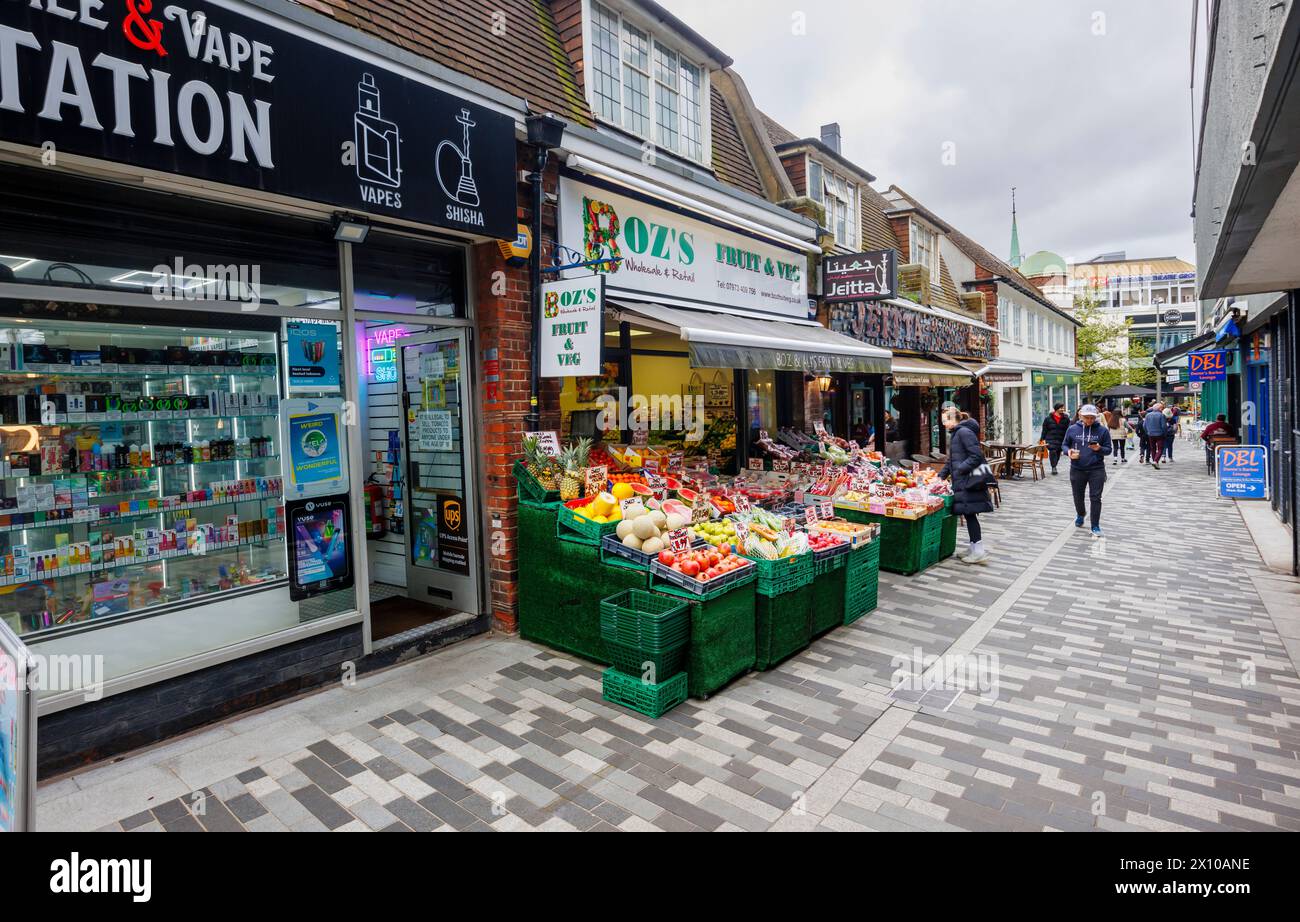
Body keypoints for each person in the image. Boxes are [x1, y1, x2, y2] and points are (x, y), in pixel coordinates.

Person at [939, 406, 994, 564]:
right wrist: (941, 476)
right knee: (969, 514)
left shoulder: (963, 433)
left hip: (968, 482)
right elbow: (952, 460)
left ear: (955, 419)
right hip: (963, 482)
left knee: (970, 514)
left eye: (946, 420)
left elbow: (976, 456)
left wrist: (960, 469)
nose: (944, 424)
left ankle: (979, 551)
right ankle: (974, 548)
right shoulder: (957, 433)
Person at [1063, 404, 1112, 536]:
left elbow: (1108, 450)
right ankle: (1080, 513)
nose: (1089, 420)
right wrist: (1068, 452)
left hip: (1096, 469)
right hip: (1077, 468)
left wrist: (1099, 449)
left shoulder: (1102, 431)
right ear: (1080, 416)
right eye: (1086, 417)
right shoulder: (1072, 429)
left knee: (1095, 498)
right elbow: (1065, 444)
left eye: (1092, 418)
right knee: (1078, 496)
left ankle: (1095, 526)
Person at [1039, 403, 1071, 476]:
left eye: (1063, 408)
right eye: (1061, 408)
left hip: (1061, 439)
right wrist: (1042, 439)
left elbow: (1068, 430)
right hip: (1050, 438)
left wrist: (1068, 439)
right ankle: (1054, 467)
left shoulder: (1066, 419)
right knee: (1053, 451)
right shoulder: (1048, 419)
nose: (1062, 409)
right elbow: (1044, 430)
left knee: (1058, 452)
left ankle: (1054, 465)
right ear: (1056, 409)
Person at [1144, 401, 1169, 468]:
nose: (1162, 409)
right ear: (1160, 409)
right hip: (1159, 434)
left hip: (1150, 434)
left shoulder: (1147, 415)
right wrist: (1165, 433)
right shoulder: (1161, 415)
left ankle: (1154, 460)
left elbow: (1144, 425)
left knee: (1153, 448)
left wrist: (1147, 432)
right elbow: (1164, 426)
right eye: (1162, 408)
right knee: (1160, 448)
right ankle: (1156, 461)